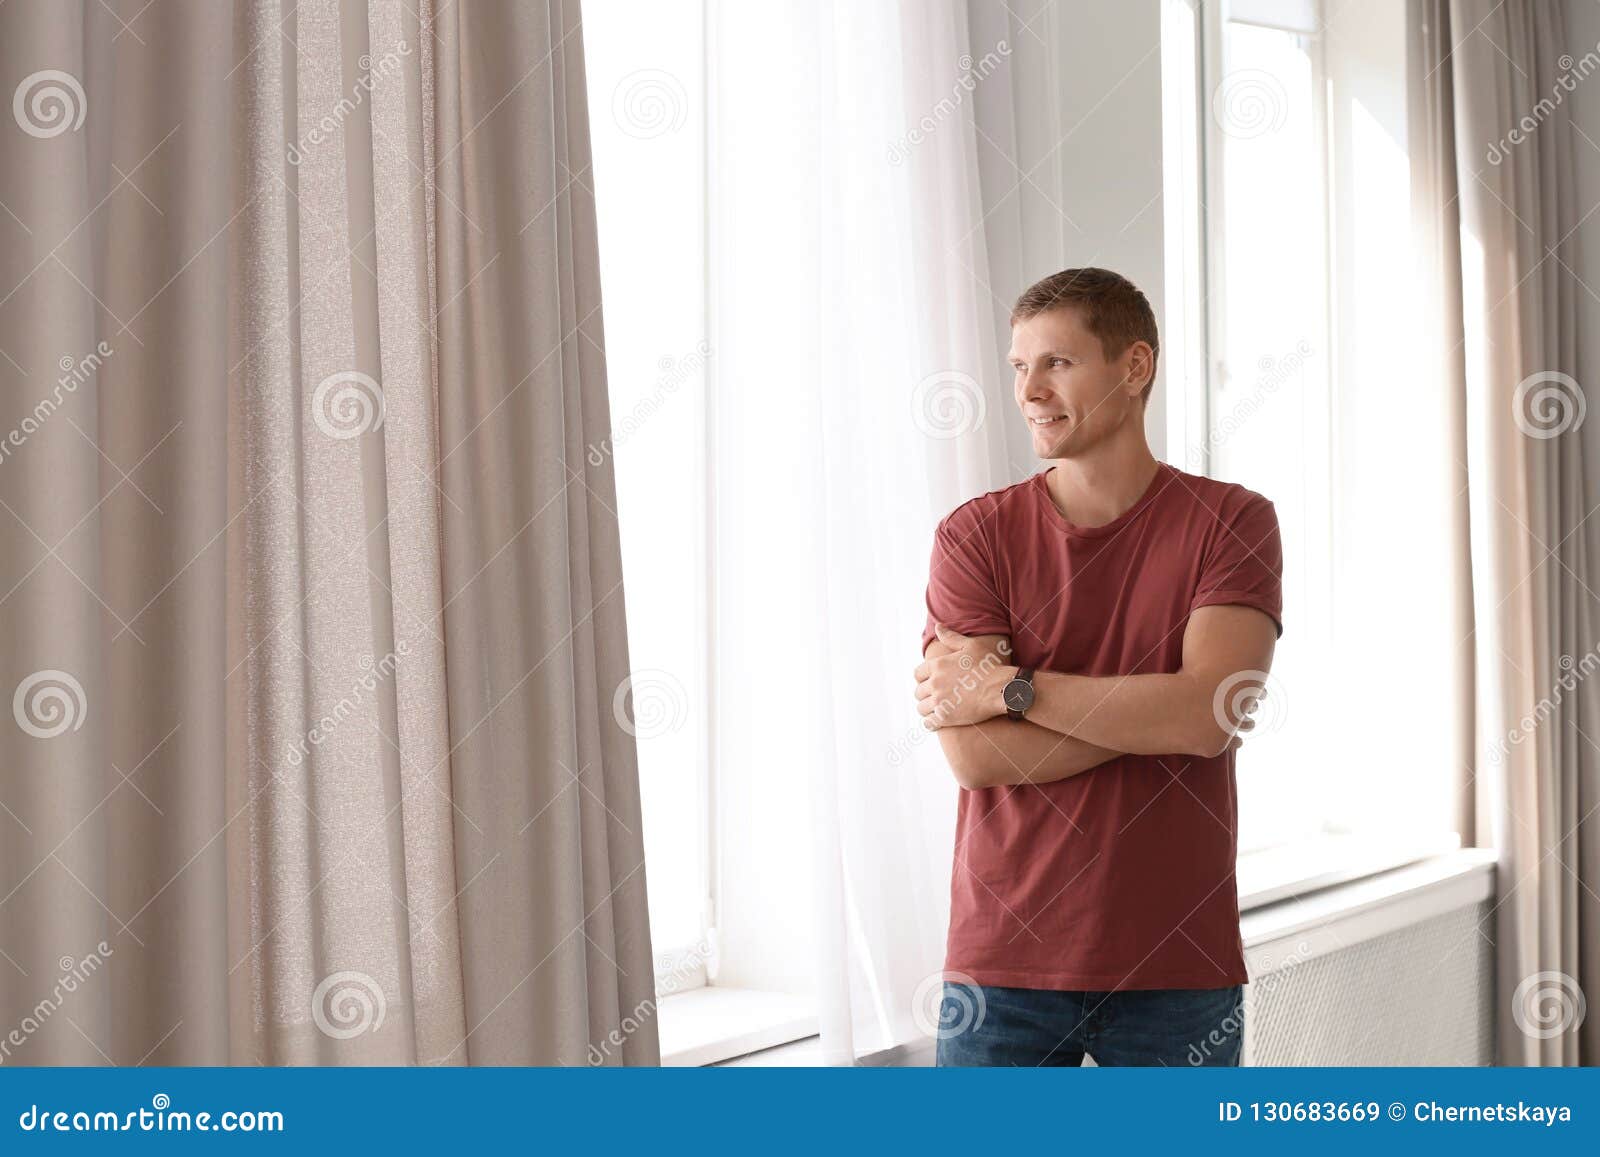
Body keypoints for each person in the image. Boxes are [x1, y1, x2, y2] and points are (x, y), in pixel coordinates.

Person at [913, 267, 1282, 1067]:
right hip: (1003, 967)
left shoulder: (1232, 522)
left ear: (1134, 366)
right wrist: (1166, 713)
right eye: (1019, 366)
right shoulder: (974, 537)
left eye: (1057, 362)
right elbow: (976, 757)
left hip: (1176, 963)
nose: (1029, 390)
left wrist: (1013, 691)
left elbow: (1204, 718)